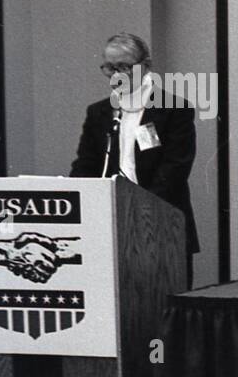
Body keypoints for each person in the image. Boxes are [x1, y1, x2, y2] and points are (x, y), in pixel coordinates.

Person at [69, 33, 199, 286]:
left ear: (146, 66)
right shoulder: (99, 112)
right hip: (108, 222)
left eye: (124, 67)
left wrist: (139, 210)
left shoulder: (173, 108)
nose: (115, 75)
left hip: (159, 224)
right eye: (109, 67)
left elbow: (175, 168)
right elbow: (86, 164)